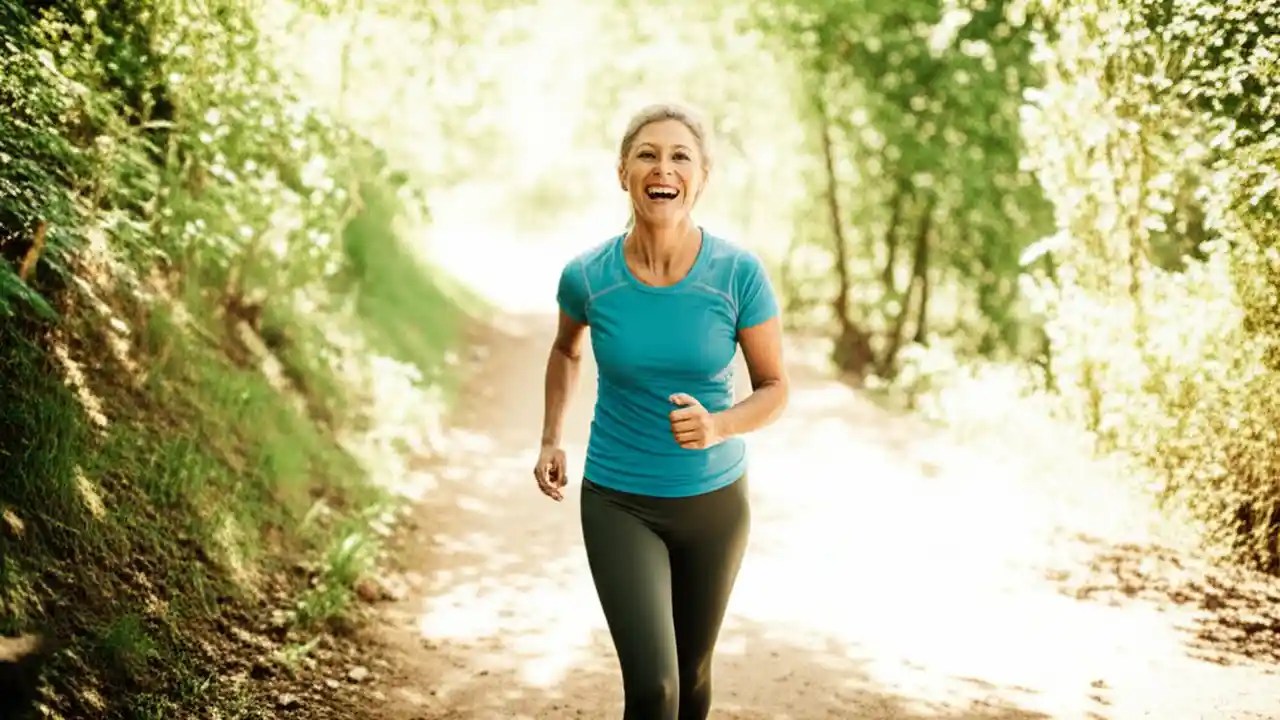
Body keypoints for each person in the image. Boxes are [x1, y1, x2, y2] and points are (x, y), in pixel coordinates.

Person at [532, 102, 789, 720]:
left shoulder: (738, 274)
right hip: (619, 499)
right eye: (647, 154)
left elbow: (775, 386)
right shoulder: (588, 276)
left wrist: (719, 425)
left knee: (693, 673)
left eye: (680, 156)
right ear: (623, 172)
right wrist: (549, 438)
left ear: (701, 177)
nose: (662, 167)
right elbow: (566, 350)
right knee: (655, 689)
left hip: (716, 504)